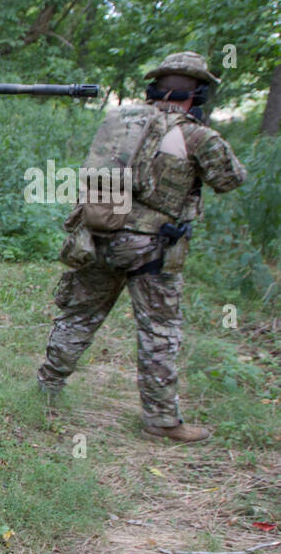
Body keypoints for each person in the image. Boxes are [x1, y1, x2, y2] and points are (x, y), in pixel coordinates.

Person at [37, 51, 247, 441]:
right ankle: (162, 421)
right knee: (159, 331)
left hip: (97, 232)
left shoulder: (120, 122)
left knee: (79, 315)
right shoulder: (198, 136)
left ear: (153, 89)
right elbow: (230, 179)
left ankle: (47, 386)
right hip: (152, 246)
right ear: (197, 96)